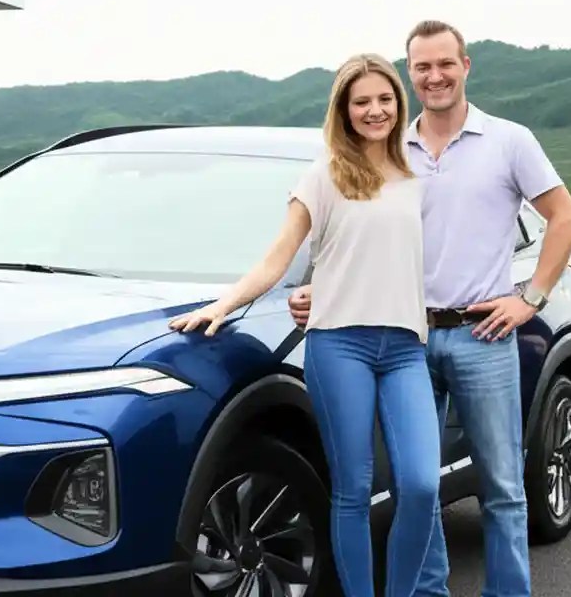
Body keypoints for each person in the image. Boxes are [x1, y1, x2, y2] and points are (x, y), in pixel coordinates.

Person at [288, 20, 571, 597]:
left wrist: (531, 300)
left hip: (484, 334)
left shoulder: (508, 141)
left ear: (466, 65)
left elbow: (565, 218)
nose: (435, 76)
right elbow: (356, 232)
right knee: (418, 488)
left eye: (445, 63)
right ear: (409, 75)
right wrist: (321, 288)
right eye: (421, 67)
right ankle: (427, 592)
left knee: (501, 486)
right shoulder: (392, 149)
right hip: (407, 337)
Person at [170, 53, 442, 597]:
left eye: (385, 99)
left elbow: (433, 260)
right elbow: (277, 259)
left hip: (406, 349)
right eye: (361, 101)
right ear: (343, 110)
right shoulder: (324, 175)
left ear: (398, 102)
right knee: (353, 488)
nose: (375, 110)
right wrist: (223, 305)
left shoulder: (421, 173)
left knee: (419, 485)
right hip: (340, 346)